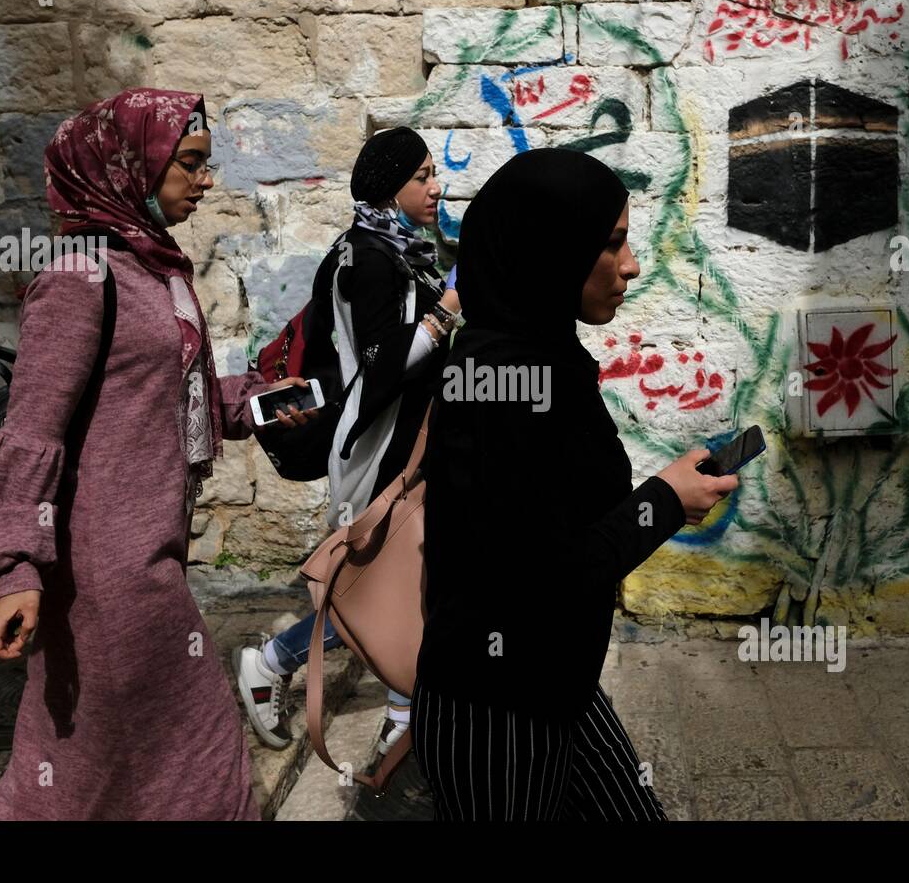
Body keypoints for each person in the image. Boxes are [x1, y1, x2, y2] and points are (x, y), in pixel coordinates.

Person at [0, 88, 307, 820]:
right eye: (190, 164)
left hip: (151, 557)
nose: (206, 182)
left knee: (91, 760)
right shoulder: (79, 280)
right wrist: (15, 570)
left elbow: (188, 404)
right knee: (168, 744)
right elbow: (34, 429)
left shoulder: (158, 270)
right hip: (104, 576)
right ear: (127, 165)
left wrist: (269, 400)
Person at [411, 148, 739, 821]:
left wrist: (664, 496)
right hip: (496, 710)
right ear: (550, 248)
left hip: (556, 682)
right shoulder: (501, 381)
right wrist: (665, 502)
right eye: (612, 243)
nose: (632, 265)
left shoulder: (543, 356)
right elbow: (544, 573)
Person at [234, 127, 461, 754]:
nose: (435, 188)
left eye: (432, 174)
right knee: (379, 582)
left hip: (410, 441)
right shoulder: (366, 257)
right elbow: (384, 365)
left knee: (402, 580)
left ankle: (395, 709)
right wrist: (447, 312)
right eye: (422, 177)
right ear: (390, 186)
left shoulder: (397, 248)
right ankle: (300, 672)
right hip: (376, 444)